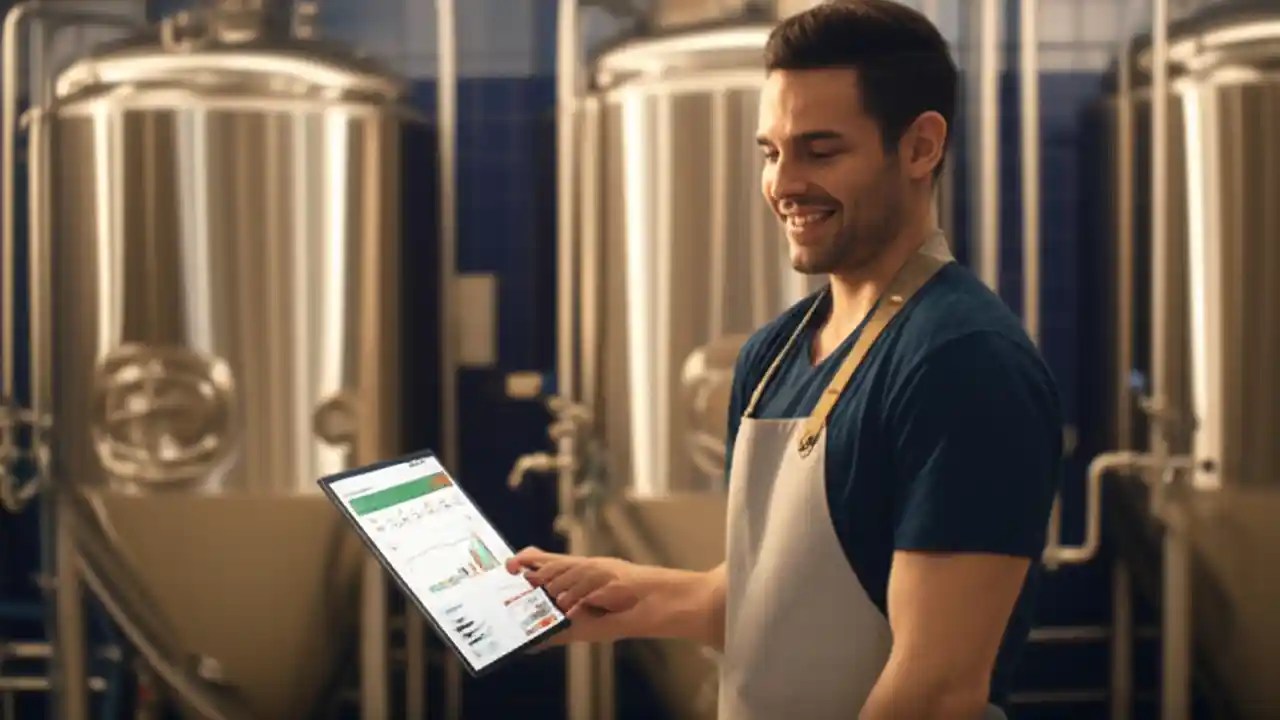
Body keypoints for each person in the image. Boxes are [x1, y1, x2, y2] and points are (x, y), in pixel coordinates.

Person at [506, 2, 1063, 718]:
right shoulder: (773, 354)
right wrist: (620, 592)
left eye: (821, 151)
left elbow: (936, 689)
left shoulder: (962, 363)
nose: (784, 183)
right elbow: (780, 609)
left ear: (921, 147)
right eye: (772, 151)